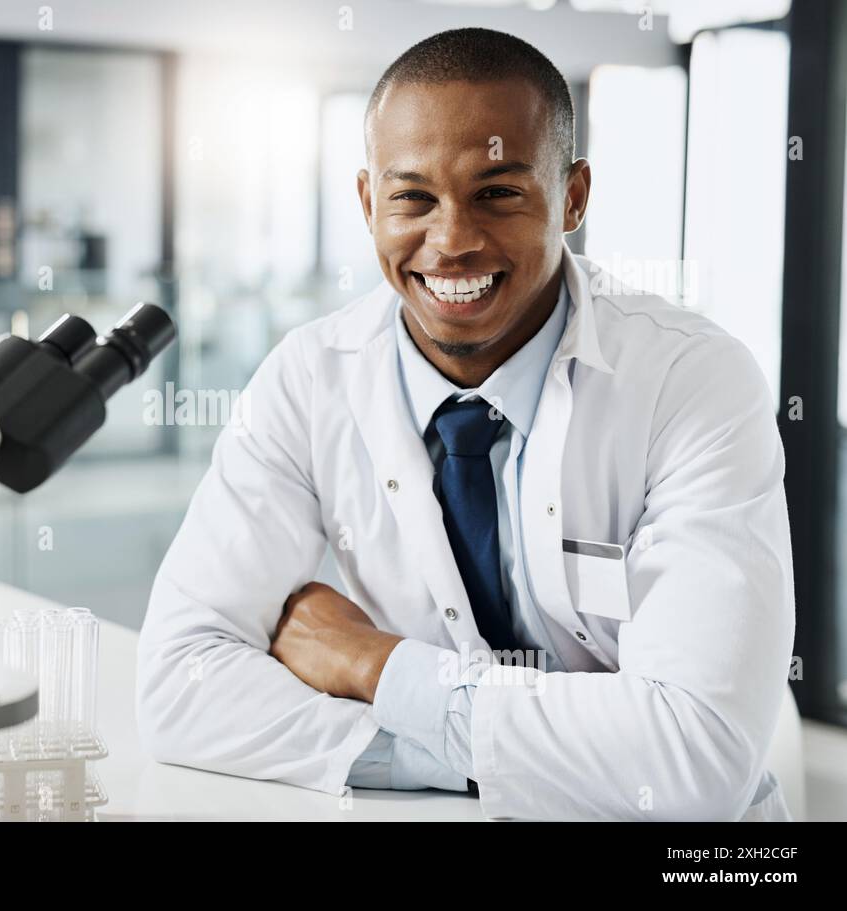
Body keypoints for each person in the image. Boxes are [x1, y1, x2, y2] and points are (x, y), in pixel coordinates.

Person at [135, 27, 794, 821]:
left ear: (574, 197)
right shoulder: (308, 378)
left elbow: (694, 759)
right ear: (367, 202)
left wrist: (376, 666)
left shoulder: (693, 381)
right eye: (412, 196)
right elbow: (179, 683)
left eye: (498, 193)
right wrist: (470, 756)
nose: (450, 242)